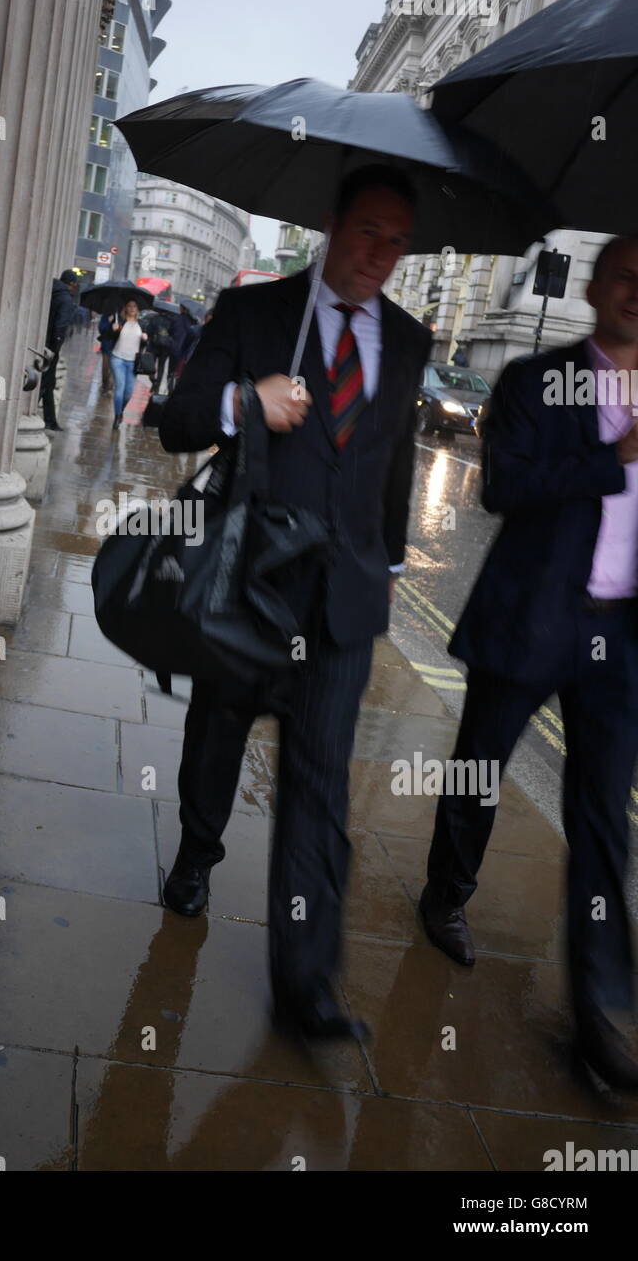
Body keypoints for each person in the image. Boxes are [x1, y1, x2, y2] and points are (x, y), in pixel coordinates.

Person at [158, 165, 431, 1044]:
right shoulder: (257, 314)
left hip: (343, 606)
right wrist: (248, 400)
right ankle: (198, 852)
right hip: (253, 587)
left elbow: (393, 465)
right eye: (367, 233)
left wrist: (386, 562)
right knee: (217, 734)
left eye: (397, 241)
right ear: (330, 223)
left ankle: (307, 983)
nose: (380, 255)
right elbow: (177, 419)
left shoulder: (409, 339)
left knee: (318, 788)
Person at [420, 234, 638, 1091]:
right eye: (627, 278)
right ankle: (447, 894)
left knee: (600, 822)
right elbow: (503, 487)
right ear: (594, 286)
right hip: (534, 618)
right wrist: (613, 457)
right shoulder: (534, 380)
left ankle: (599, 1014)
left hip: (621, 640)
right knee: (480, 771)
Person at [40, 269, 78, 431]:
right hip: (50, 347)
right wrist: (55, 349)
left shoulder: (50, 291)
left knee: (47, 382)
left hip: (41, 341)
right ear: (71, 285)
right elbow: (60, 326)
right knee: (46, 382)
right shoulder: (66, 300)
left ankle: (51, 420)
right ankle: (49, 420)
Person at [107, 298, 148, 430]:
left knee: (128, 393)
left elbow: (145, 344)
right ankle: (118, 415)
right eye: (129, 306)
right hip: (117, 358)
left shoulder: (142, 323)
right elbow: (107, 336)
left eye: (134, 306)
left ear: (137, 309)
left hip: (132, 362)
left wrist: (145, 339)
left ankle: (120, 410)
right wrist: (112, 329)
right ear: (125, 308)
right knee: (119, 388)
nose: (132, 309)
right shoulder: (119, 321)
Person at [97, 312, 118, 395]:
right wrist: (109, 322)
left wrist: (118, 327)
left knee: (113, 368)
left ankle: (109, 386)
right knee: (105, 368)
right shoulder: (106, 315)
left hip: (117, 346)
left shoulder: (121, 316)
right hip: (106, 346)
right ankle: (105, 384)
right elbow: (101, 329)